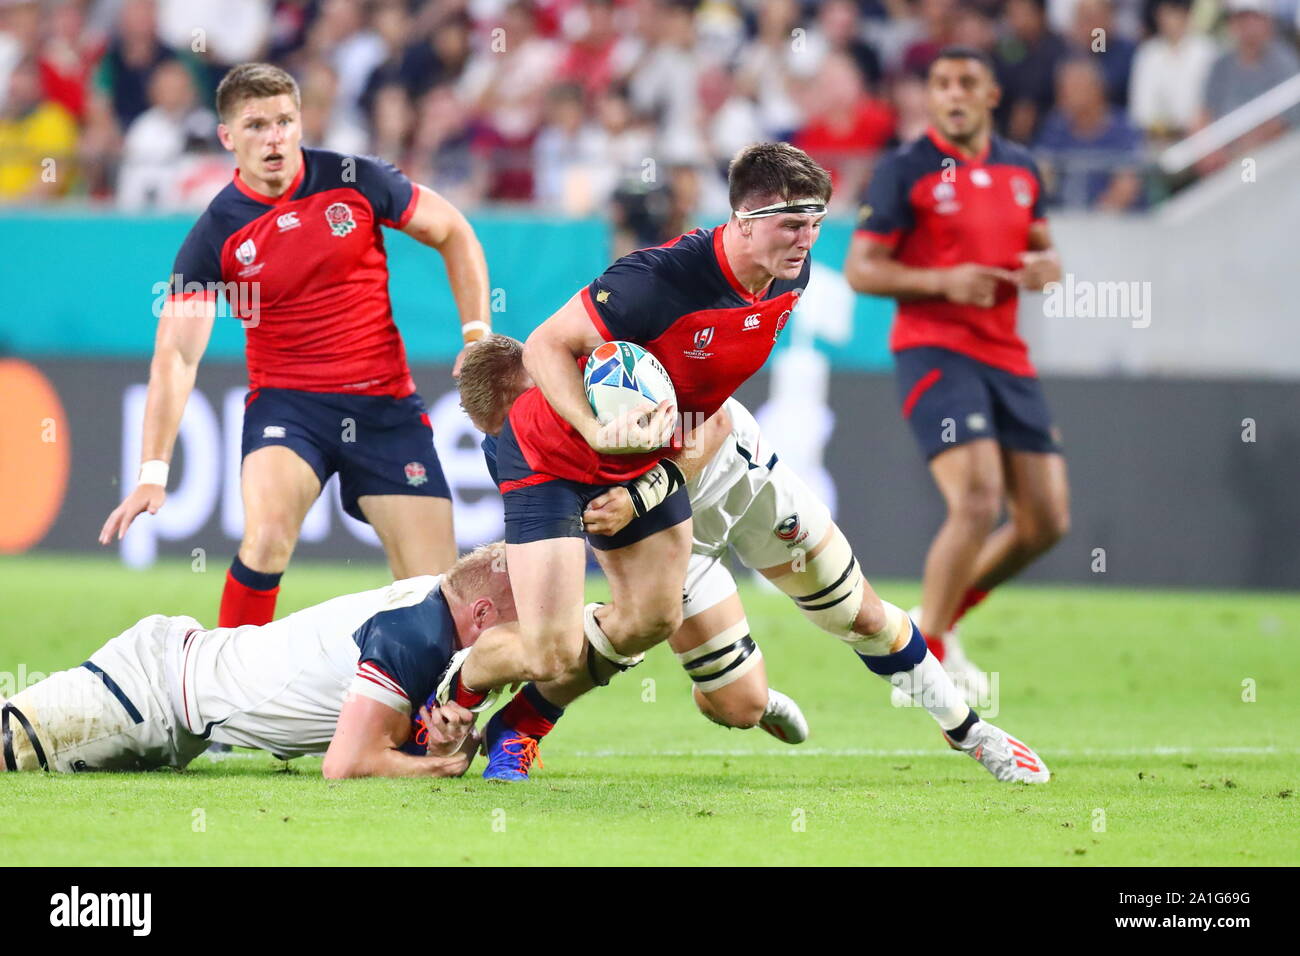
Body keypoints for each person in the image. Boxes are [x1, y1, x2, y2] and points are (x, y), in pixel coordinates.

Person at [454, 335, 1052, 784]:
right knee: (724, 699)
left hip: (740, 490)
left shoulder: (612, 367)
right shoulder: (512, 448)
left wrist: (639, 493)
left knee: (862, 617)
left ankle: (970, 734)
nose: (522, 445)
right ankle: (524, 721)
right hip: (666, 543)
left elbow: (706, 423)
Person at [435, 143, 830, 777]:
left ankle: (521, 724)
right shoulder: (655, 280)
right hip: (550, 456)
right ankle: (462, 684)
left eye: (816, 224)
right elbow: (542, 346)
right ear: (743, 220)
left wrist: (647, 487)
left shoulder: (787, 278)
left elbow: (713, 413)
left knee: (653, 618)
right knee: (548, 652)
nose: (806, 240)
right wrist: (595, 426)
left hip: (639, 463)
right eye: (791, 224)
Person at [99, 63, 492, 635]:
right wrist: (154, 471)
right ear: (227, 138)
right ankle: (223, 693)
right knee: (265, 538)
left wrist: (477, 334)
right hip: (289, 408)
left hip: (385, 406)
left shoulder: (354, 178)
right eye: (256, 125)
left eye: (285, 121)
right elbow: (178, 356)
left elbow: (453, 230)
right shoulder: (215, 235)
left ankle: (432, 716)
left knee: (434, 588)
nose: (275, 137)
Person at [843, 47, 1069, 692]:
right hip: (935, 351)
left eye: (967, 81)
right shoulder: (904, 170)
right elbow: (862, 269)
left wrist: (1046, 270)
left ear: (992, 94)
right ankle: (927, 659)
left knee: (1045, 523)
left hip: (1006, 356)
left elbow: (1046, 253)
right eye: (941, 83)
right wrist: (944, 281)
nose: (953, 93)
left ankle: (938, 617)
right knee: (975, 500)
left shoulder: (1023, 168)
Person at [0, 546, 510, 778]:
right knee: (8, 745)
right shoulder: (416, 635)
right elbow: (347, 762)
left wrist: (436, 741)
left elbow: (384, 732)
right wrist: (442, 766)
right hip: (147, 693)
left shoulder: (429, 604)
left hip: (174, 692)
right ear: (482, 612)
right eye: (517, 620)